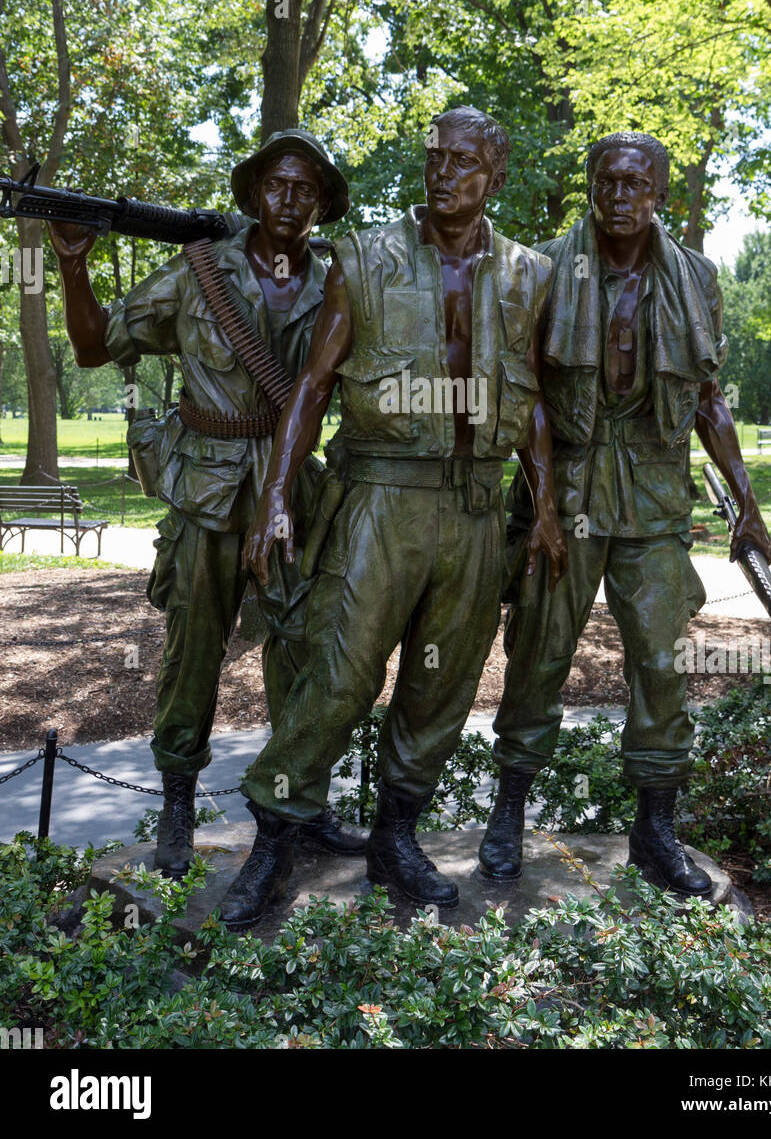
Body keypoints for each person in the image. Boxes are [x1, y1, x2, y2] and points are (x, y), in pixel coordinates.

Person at [217, 105, 568, 927]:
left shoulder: (528, 273)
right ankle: (277, 832)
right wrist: (275, 496)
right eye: (434, 157)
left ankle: (396, 836)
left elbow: (535, 398)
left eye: (463, 162)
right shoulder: (364, 257)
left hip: (478, 507)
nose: (443, 173)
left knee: (439, 687)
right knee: (338, 674)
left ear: (496, 176)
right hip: (381, 494)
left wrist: (545, 503)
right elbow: (313, 383)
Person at [47, 129, 365, 875]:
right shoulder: (199, 272)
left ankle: (298, 805)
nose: (290, 200)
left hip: (292, 496)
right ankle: (179, 807)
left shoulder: (340, 284)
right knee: (192, 651)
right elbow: (95, 348)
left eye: (306, 189)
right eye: (278, 185)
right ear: (254, 193)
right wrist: (72, 266)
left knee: (303, 651)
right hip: (206, 492)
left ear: (321, 204)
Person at [480, 131, 771, 896]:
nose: (620, 197)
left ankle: (655, 829)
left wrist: (745, 500)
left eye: (635, 184)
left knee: (661, 663)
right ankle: (508, 812)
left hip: (653, 493)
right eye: (607, 182)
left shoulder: (696, 278)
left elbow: (707, 397)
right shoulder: (544, 268)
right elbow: (529, 397)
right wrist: (542, 504)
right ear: (591, 187)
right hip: (570, 487)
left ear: (659, 195)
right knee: (539, 650)